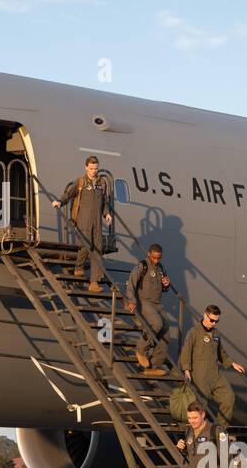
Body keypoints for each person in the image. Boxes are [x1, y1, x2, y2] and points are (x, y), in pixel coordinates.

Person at [52, 156, 112, 293]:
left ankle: (94, 282)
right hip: (83, 219)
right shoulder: (80, 182)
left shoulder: (101, 183)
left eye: (96, 169)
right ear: (86, 167)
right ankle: (79, 267)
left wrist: (107, 213)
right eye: (91, 169)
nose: (93, 171)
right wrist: (60, 202)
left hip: (97, 220)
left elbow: (104, 202)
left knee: (97, 249)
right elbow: (68, 194)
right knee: (86, 245)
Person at [178, 304, 245, 425]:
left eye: (216, 321)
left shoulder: (216, 334)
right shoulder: (194, 332)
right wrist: (187, 370)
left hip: (215, 374)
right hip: (199, 374)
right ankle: (199, 433)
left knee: (228, 397)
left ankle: (220, 428)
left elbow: (221, 354)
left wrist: (233, 364)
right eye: (212, 320)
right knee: (201, 404)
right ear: (205, 315)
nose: (214, 323)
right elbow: (186, 352)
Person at [125, 243, 171, 377]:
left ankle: (152, 366)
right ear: (149, 254)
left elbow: (163, 289)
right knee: (157, 323)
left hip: (157, 303)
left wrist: (166, 285)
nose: (156, 261)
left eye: (159, 258)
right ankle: (140, 349)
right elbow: (131, 283)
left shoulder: (161, 268)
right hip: (144, 301)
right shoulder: (142, 266)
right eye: (154, 258)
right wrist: (132, 301)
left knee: (166, 333)